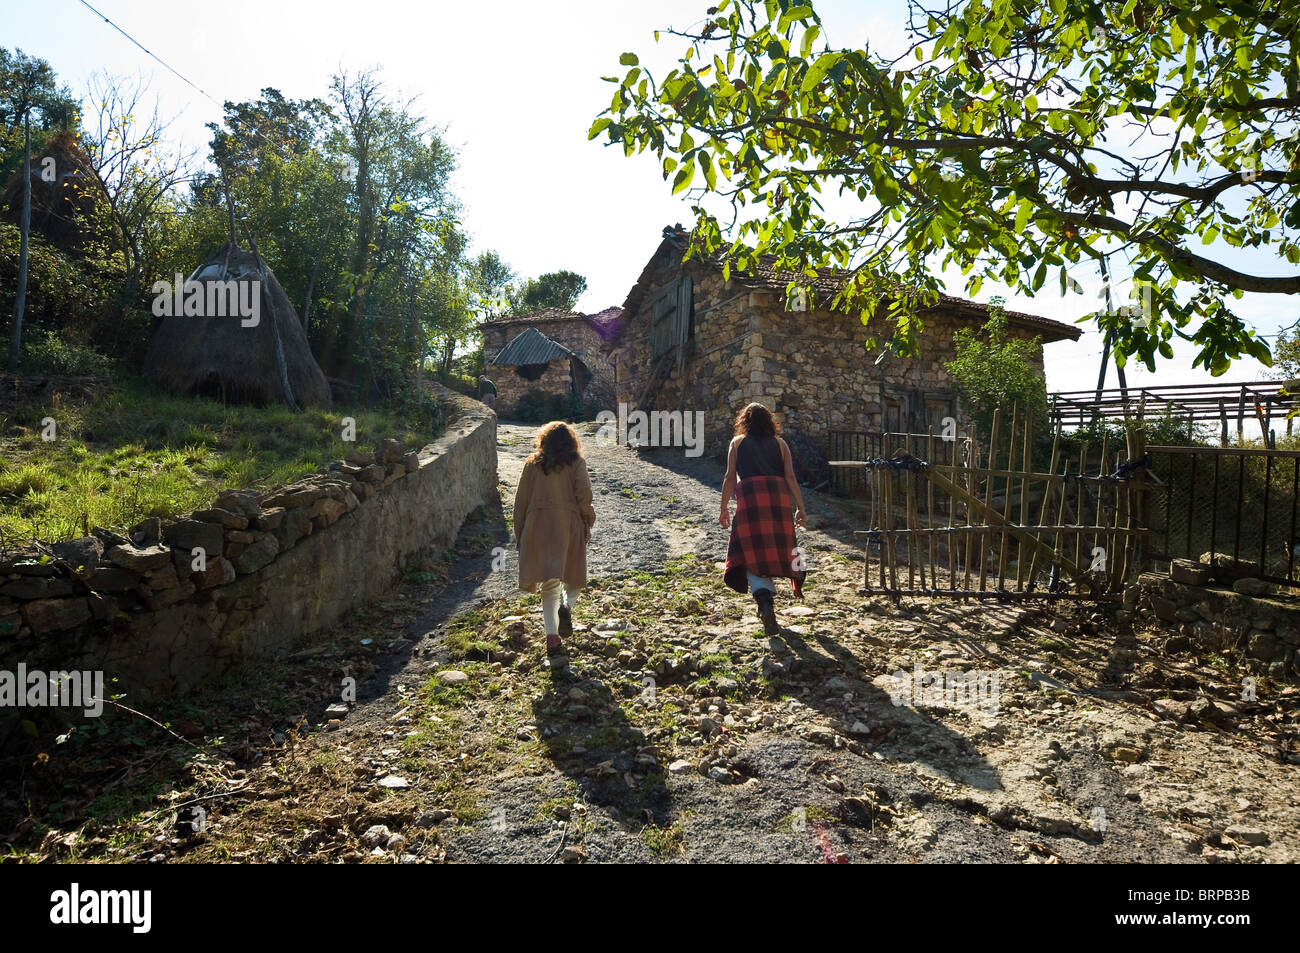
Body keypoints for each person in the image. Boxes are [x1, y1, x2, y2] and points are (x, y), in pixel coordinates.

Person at [719, 402, 807, 635]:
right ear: (769, 421)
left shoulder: (736, 443)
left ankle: (764, 602)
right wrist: (800, 507)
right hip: (777, 498)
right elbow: (790, 477)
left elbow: (730, 477)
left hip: (750, 498)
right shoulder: (780, 444)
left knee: (751, 550)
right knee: (776, 548)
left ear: (744, 421)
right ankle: (766, 602)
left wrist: (723, 508)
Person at [513, 421, 596, 659]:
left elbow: (520, 504)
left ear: (544, 441)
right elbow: (585, 495)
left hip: (536, 526)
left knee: (549, 585)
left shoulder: (531, 464)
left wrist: (521, 535)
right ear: (571, 442)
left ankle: (552, 638)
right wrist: (587, 518)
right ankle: (568, 606)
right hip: (567, 525)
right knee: (574, 576)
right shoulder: (577, 463)